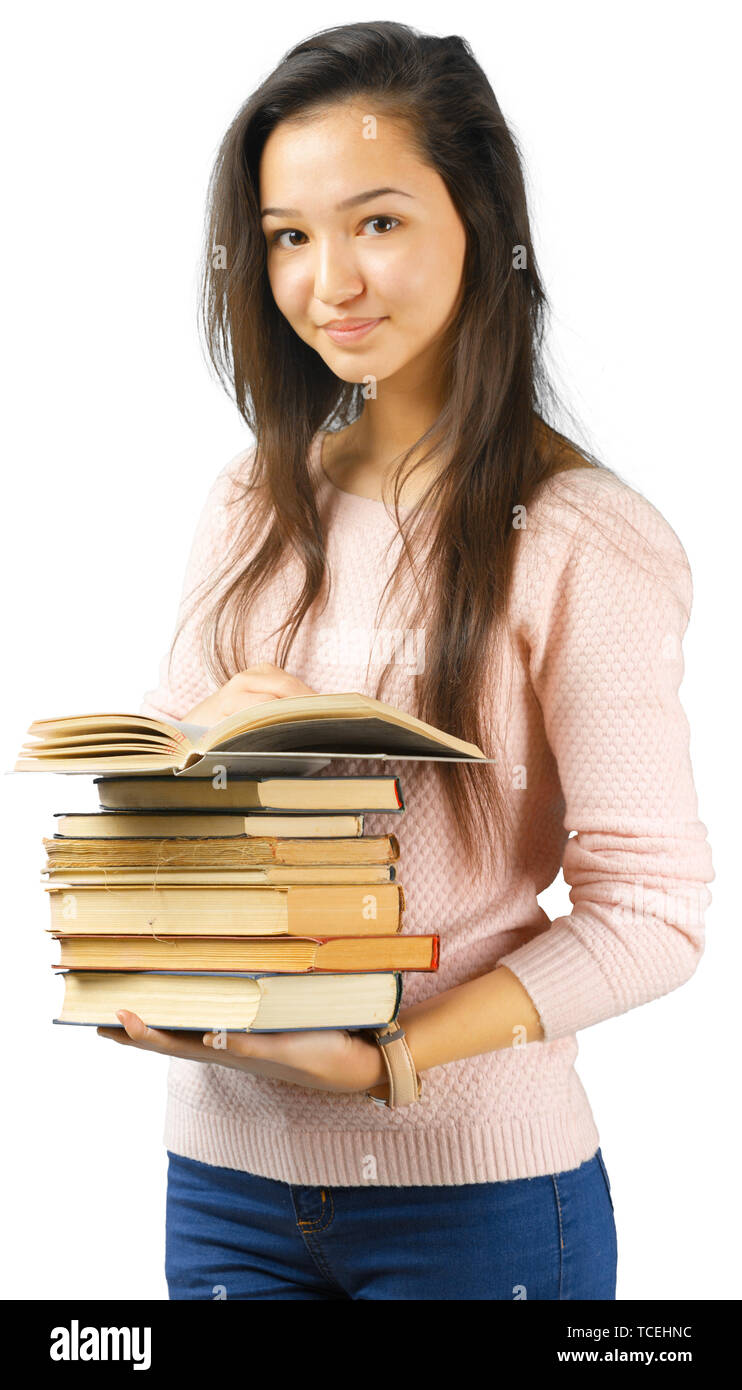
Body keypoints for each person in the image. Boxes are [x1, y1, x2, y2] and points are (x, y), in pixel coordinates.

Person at [97, 20, 714, 1300]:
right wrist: (195, 741)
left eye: (375, 222)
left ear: (480, 220)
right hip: (222, 1178)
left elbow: (651, 912)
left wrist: (392, 1055)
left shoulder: (581, 540)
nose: (330, 280)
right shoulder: (245, 504)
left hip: (476, 1197)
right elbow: (159, 811)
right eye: (287, 235)